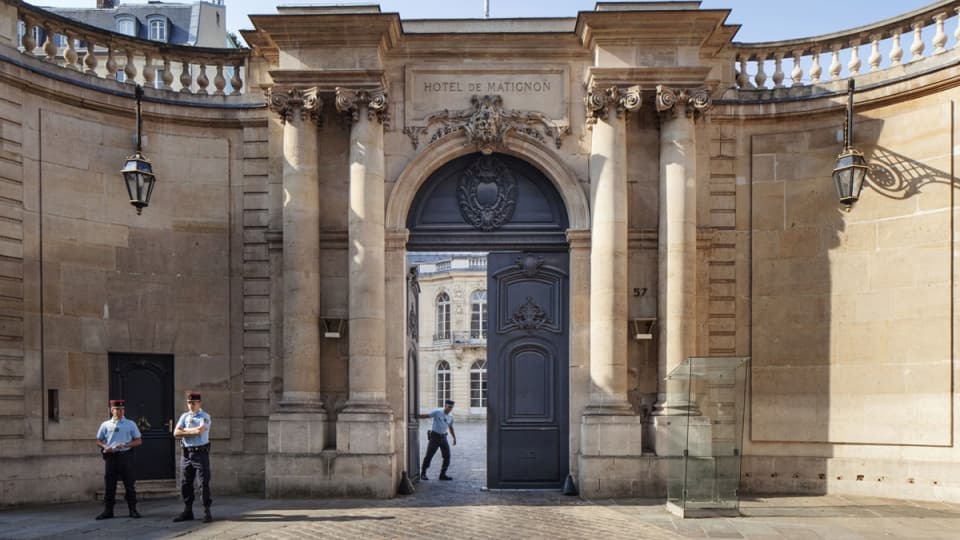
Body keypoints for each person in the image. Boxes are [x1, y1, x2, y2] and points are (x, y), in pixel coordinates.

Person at [94, 399, 142, 520]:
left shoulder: (130, 424)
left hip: (125, 456)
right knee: (110, 485)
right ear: (112, 410)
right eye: (117, 409)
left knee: (129, 484)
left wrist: (125, 445)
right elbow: (98, 440)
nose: (120, 412)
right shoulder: (105, 424)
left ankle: (133, 509)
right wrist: (105, 447)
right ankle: (108, 511)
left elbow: (138, 440)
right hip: (111, 457)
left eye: (122, 409)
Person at [172, 391, 213, 523]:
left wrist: (185, 431)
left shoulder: (204, 416)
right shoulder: (184, 416)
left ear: (199, 403)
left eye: (194, 403)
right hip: (186, 454)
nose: (191, 405)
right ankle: (187, 510)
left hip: (200, 454)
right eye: (189, 403)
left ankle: (207, 511)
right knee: (185, 483)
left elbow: (200, 431)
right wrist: (192, 431)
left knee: (203, 483)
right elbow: (176, 432)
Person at [418, 399, 457, 481]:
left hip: (444, 438)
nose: (450, 409)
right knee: (429, 455)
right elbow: (427, 416)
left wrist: (454, 438)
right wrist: (414, 416)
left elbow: (450, 427)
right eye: (449, 407)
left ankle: (442, 475)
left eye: (451, 407)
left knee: (447, 456)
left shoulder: (451, 416)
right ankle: (423, 474)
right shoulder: (437, 412)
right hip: (434, 437)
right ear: (445, 405)